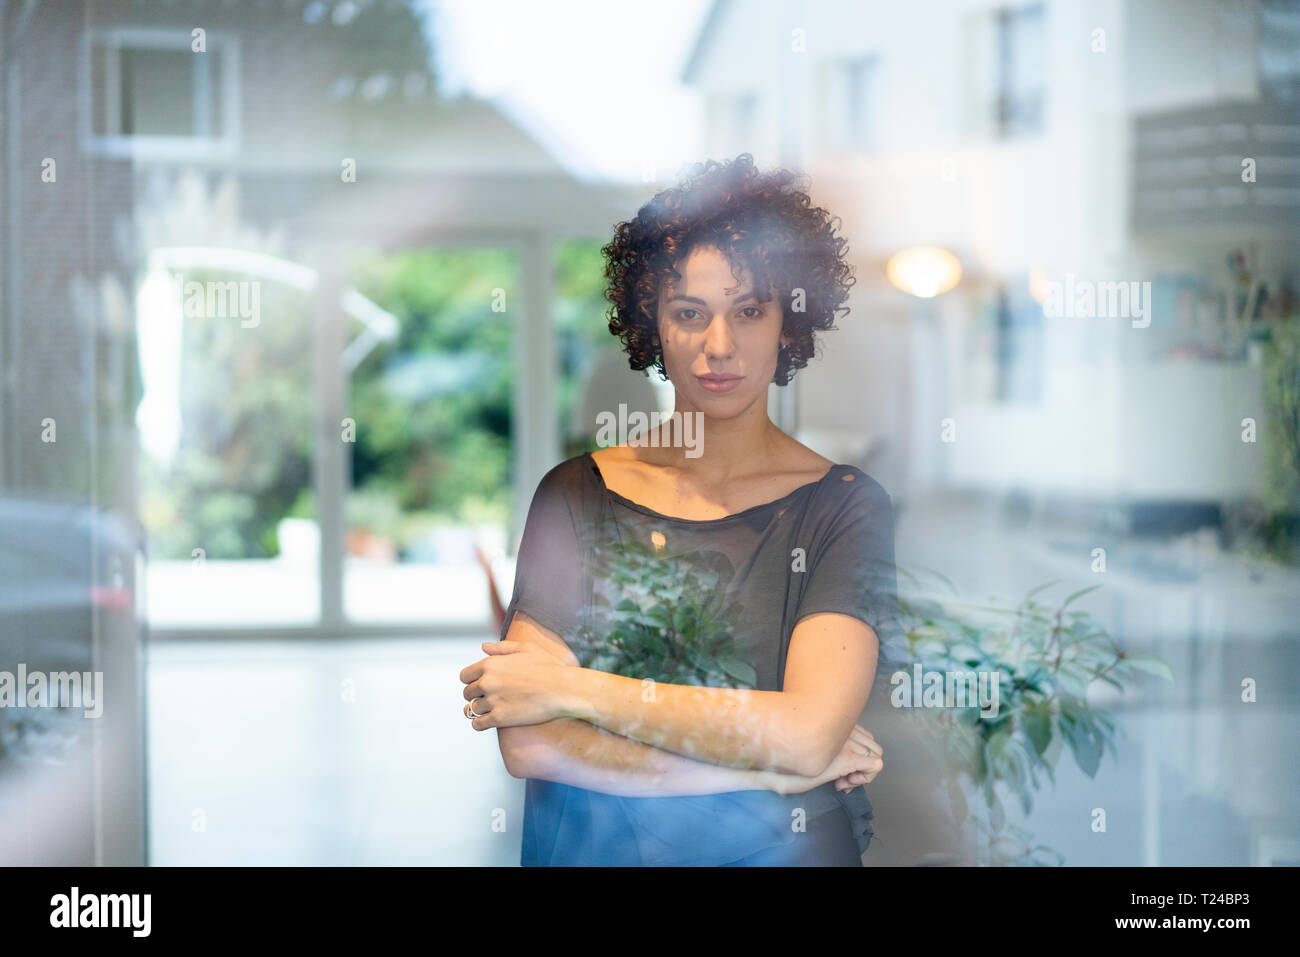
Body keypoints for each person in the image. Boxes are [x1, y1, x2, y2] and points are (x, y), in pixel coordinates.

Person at [459, 154, 902, 866]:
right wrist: (762, 763)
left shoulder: (845, 507)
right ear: (653, 324)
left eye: (748, 310)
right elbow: (531, 739)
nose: (718, 345)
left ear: (788, 322)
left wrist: (570, 688)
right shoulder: (575, 493)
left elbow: (809, 736)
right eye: (689, 312)